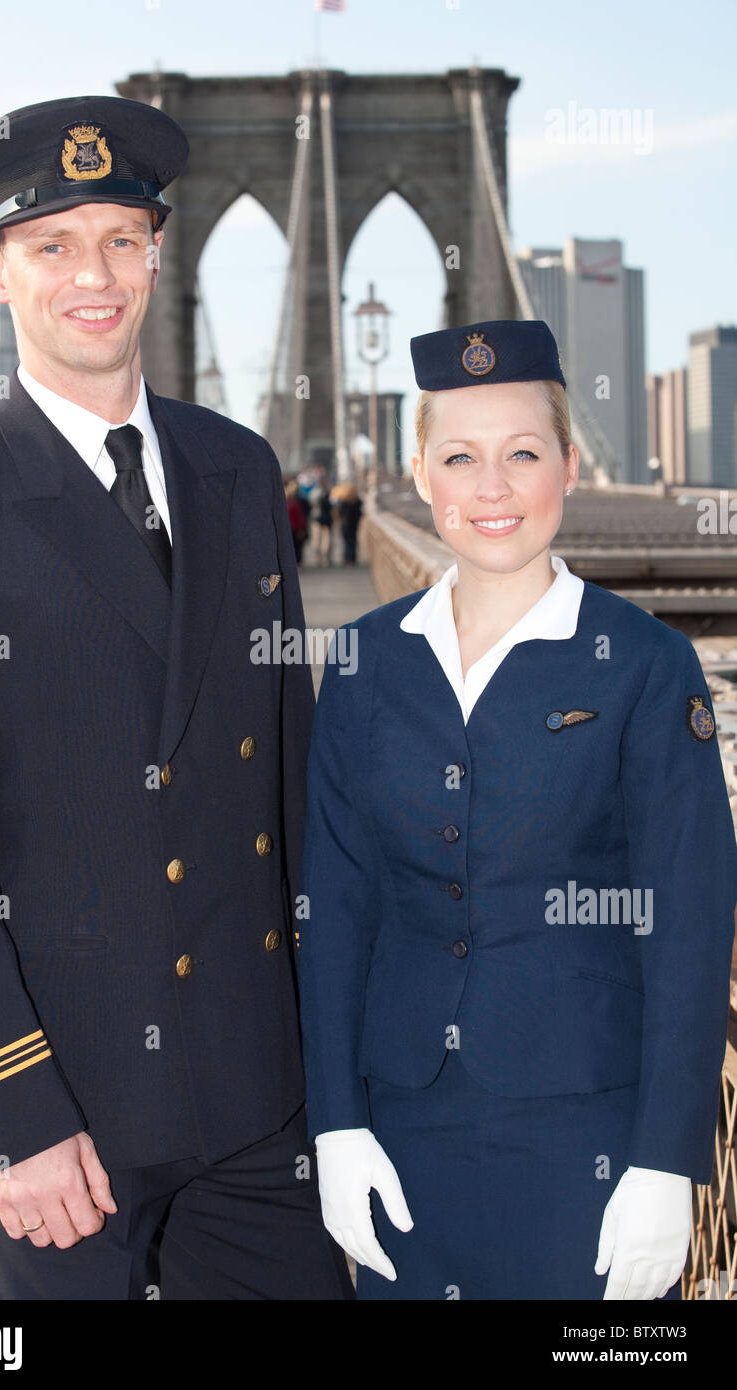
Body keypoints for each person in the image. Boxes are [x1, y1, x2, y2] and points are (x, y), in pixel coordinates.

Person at [0, 95, 352, 1302]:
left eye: (121, 240)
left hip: (257, 1097)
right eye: (51, 246)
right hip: (59, 1116)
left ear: (155, 254)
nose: (93, 275)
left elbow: (285, 782)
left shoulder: (237, 468)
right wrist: (9, 1106)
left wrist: (333, 1073)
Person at [295, 319, 737, 1300]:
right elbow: (333, 912)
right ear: (419, 473)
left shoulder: (644, 665)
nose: (490, 487)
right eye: (459, 455)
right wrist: (334, 1125)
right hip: (400, 1134)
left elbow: (689, 928)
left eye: (521, 453)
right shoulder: (364, 664)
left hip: (588, 1139)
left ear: (568, 466)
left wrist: (666, 1162)